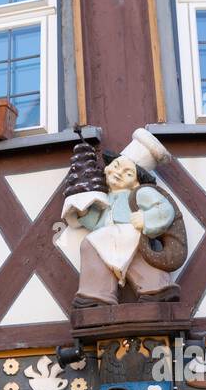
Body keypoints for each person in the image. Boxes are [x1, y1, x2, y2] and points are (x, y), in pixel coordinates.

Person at [62, 128, 181, 306]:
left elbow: (165, 209)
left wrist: (146, 219)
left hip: (132, 232)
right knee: (91, 247)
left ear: (136, 182)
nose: (118, 173)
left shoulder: (141, 193)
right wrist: (84, 213)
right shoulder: (106, 198)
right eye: (117, 166)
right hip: (110, 235)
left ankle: (157, 288)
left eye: (128, 173)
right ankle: (96, 293)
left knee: (139, 256)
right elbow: (97, 222)